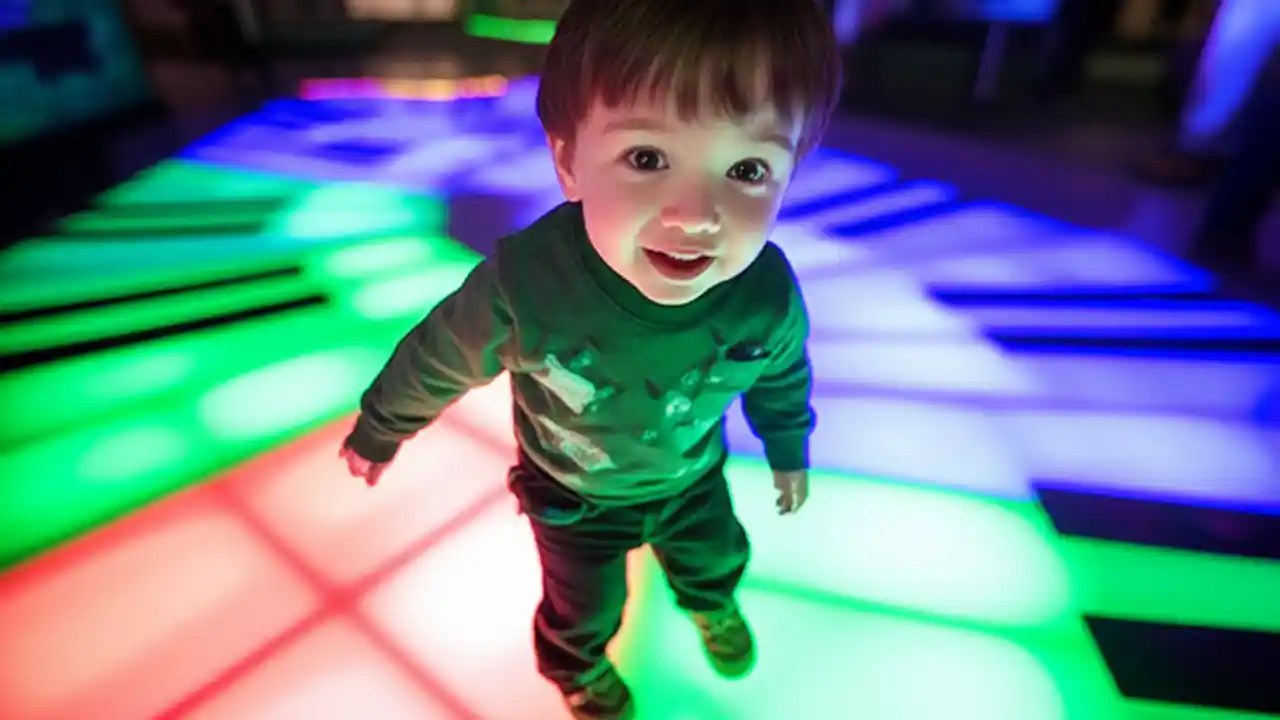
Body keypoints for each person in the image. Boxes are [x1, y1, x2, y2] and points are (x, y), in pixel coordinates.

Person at [339, 1, 842, 718]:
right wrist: (383, 423)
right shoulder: (529, 285)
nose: (695, 213)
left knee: (717, 555)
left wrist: (788, 446)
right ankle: (575, 667)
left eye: (748, 168)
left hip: (690, 477)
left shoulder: (761, 295)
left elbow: (781, 372)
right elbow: (440, 355)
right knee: (583, 605)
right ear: (570, 159)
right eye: (647, 158)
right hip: (572, 497)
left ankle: (712, 603)